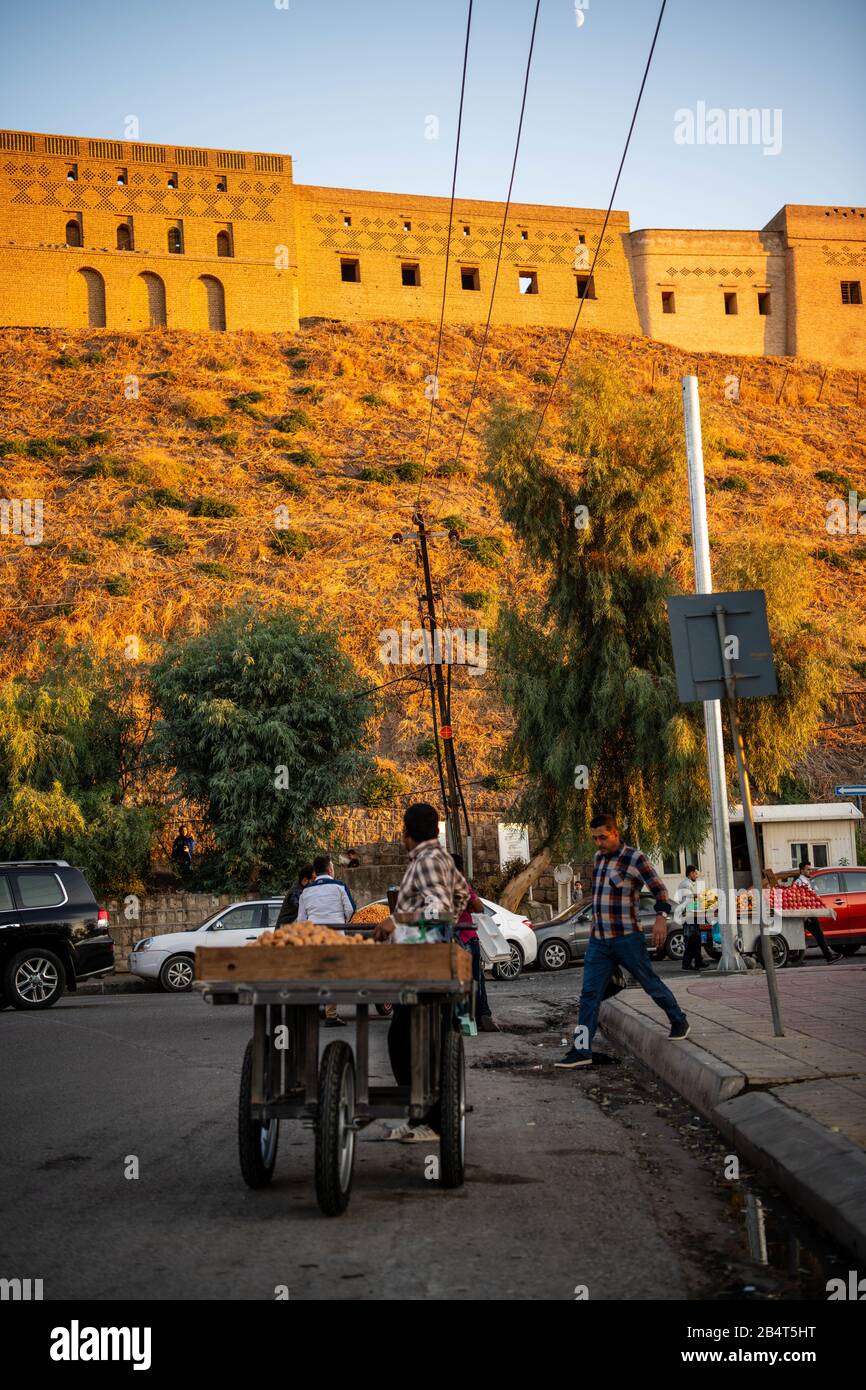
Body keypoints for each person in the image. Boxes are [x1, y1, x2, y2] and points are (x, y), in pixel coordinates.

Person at [556, 812, 690, 1069]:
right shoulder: (598, 859)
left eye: (603, 837)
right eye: (595, 838)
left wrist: (661, 917)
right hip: (599, 940)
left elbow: (660, 890)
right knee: (589, 994)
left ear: (615, 833)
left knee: (649, 982)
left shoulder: (635, 858)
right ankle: (581, 1048)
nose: (599, 843)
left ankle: (678, 1019)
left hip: (627, 938)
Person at [373, 803, 473, 1142]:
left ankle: (426, 1120)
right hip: (431, 961)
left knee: (402, 1040)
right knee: (422, 1040)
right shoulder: (441, 857)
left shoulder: (428, 860)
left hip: (421, 965)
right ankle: (425, 1119)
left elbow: (440, 907)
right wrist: (445, 931)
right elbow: (461, 894)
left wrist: (397, 921)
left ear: (406, 832)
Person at [297, 856, 358, 1025]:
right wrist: (342, 923)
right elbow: (350, 909)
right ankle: (331, 1015)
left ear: (315, 872)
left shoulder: (306, 891)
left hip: (315, 938)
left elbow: (301, 920)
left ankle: (315, 1009)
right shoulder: (339, 886)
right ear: (330, 870)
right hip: (335, 937)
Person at [452, 850, 499, 1032]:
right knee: (476, 980)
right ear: (461, 870)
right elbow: (479, 907)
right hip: (468, 939)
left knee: (459, 983)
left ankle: (465, 1021)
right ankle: (482, 1016)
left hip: (450, 942)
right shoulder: (462, 885)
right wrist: (469, 906)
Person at [793, 860, 841, 964]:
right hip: (807, 913)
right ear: (801, 871)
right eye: (808, 869)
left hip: (808, 912)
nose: (810, 871)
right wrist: (805, 915)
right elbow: (798, 900)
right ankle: (828, 956)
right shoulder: (800, 883)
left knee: (802, 935)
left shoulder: (804, 881)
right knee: (819, 934)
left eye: (810, 869)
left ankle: (797, 959)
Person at [676, 864, 706, 972]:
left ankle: (698, 961)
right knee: (691, 939)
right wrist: (699, 897)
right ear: (691, 873)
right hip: (688, 915)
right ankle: (686, 963)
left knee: (696, 939)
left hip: (692, 914)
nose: (697, 875)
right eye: (696, 873)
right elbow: (689, 899)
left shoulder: (689, 883)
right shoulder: (685, 884)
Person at [276, 863, 314, 929]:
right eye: (313, 880)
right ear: (305, 880)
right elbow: (305, 908)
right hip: (284, 931)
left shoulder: (301, 889)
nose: (314, 882)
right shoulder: (295, 893)